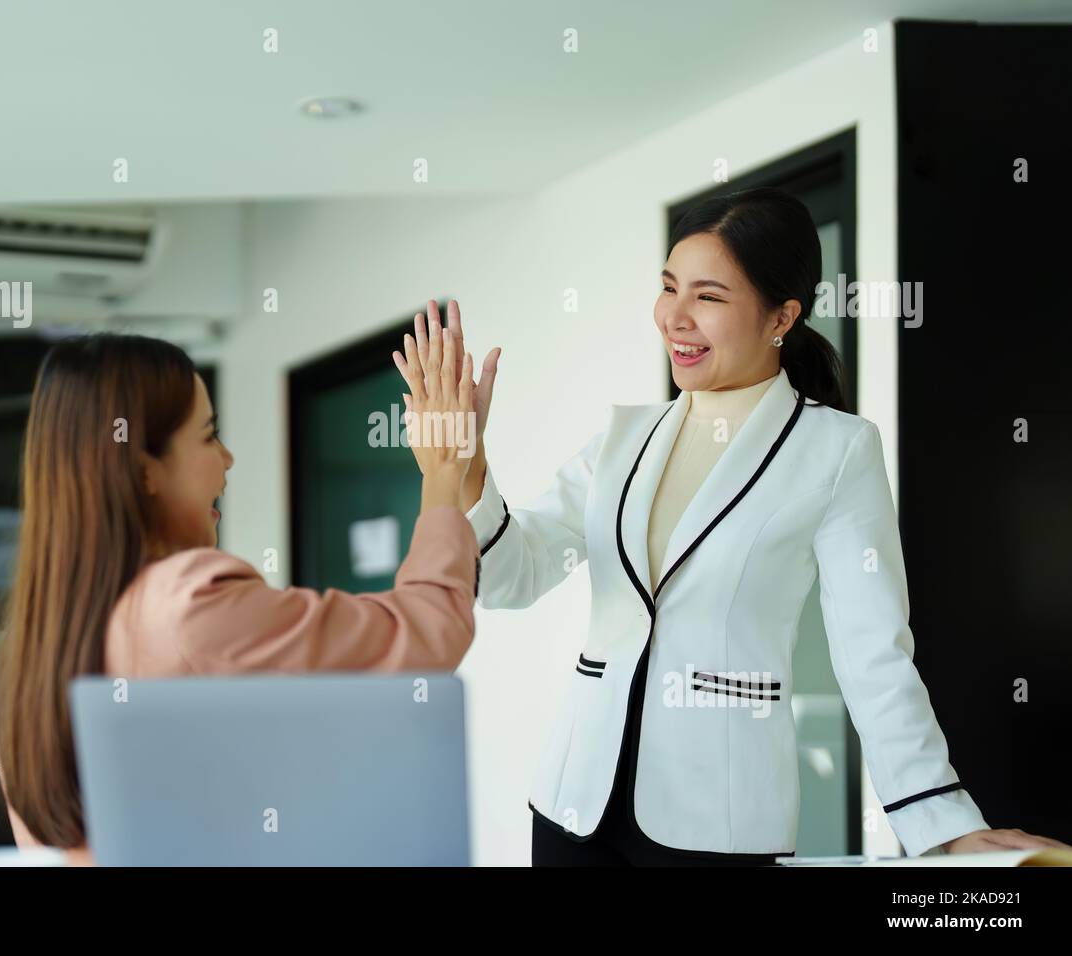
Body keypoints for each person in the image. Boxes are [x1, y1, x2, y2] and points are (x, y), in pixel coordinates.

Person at [404, 187, 1071, 865]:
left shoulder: (836, 451)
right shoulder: (622, 442)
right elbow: (512, 577)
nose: (674, 317)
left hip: (717, 821)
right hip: (574, 805)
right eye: (669, 287)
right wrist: (467, 465)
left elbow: (873, 653)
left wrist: (942, 822)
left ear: (781, 316)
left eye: (709, 296)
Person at [0, 328, 479, 862]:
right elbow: (427, 633)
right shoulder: (189, 604)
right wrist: (443, 474)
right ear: (143, 469)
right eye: (208, 436)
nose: (227, 459)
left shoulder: (39, 650)